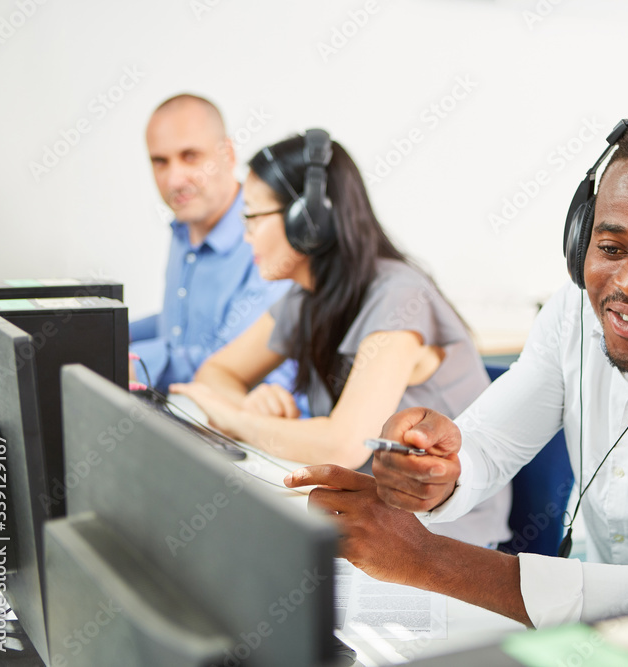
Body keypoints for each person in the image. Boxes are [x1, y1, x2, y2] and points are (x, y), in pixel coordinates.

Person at [284, 112, 628, 626]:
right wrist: (436, 470)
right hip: (577, 635)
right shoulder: (575, 314)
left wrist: (423, 558)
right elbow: (486, 446)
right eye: (611, 247)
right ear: (581, 241)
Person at [171, 129, 510, 546]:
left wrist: (237, 419)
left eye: (252, 217)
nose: (246, 236)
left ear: (307, 221)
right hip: (375, 518)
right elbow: (216, 373)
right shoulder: (307, 297)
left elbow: (342, 446)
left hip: (445, 539)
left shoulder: (399, 298)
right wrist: (252, 404)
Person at [130, 94, 292, 393]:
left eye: (190, 156)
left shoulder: (268, 235)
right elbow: (182, 328)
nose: (174, 180)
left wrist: (131, 361)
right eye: (160, 162)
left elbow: (230, 363)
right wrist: (106, 334)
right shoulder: (185, 227)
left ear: (227, 154)